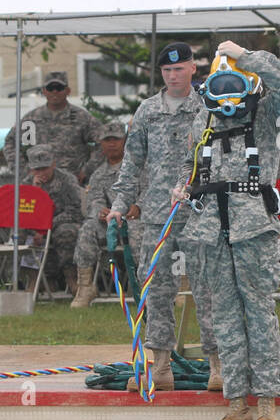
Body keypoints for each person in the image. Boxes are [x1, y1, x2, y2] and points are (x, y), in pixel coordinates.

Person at [173, 41, 280, 420]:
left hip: (253, 229)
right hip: (211, 230)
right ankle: (236, 402)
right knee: (223, 317)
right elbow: (191, 165)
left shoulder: (264, 115)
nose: (227, 97)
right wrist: (182, 188)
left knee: (259, 314)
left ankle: (265, 403)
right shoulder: (203, 123)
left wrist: (245, 55)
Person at [109, 42, 219, 393]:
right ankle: (160, 368)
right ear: (161, 74)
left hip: (200, 213)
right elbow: (132, 162)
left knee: (208, 290)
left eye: (180, 69)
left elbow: (217, 157)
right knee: (156, 290)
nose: (173, 76)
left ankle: (218, 366)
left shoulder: (208, 107)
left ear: (192, 70)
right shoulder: (147, 111)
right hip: (158, 216)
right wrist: (121, 202)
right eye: (167, 71)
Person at [3, 70, 101, 182]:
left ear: (67, 91)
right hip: (40, 183)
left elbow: (103, 142)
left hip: (72, 184)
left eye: (59, 88)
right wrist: (25, 172)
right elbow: (11, 143)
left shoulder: (82, 118)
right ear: (44, 91)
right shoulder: (32, 119)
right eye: (50, 88)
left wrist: (87, 170)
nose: (55, 92)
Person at [71, 121, 128, 308]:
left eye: (116, 139)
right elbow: (94, 201)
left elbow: (146, 196)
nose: (111, 144)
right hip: (109, 224)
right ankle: (86, 287)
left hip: (134, 220)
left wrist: (130, 210)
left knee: (141, 232)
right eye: (107, 140)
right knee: (87, 229)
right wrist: (101, 211)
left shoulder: (137, 168)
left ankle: (147, 285)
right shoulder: (98, 175)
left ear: (124, 140)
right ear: (101, 144)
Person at [24, 145, 83, 296]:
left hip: (62, 222)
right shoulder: (26, 184)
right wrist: (35, 191)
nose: (41, 173)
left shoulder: (67, 180)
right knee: (22, 233)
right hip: (37, 227)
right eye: (37, 169)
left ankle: (71, 278)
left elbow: (75, 210)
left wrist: (47, 227)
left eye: (45, 168)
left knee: (67, 232)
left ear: (53, 164)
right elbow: (24, 213)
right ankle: (34, 279)